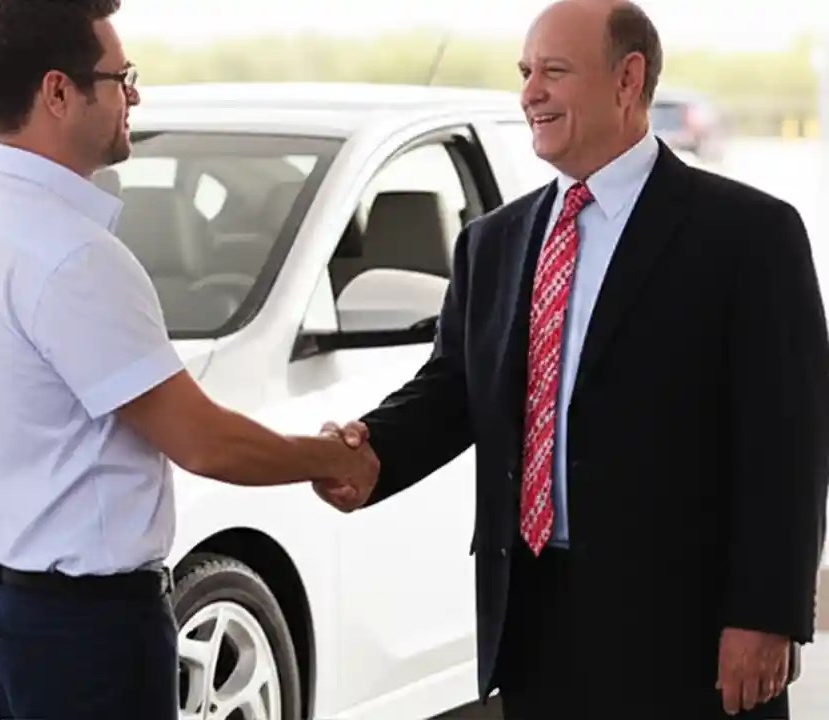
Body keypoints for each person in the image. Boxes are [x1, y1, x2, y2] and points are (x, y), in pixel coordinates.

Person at [319, 1, 829, 717]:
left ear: (628, 79)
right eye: (526, 72)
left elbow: (789, 441)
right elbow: (453, 391)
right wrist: (364, 456)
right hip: (533, 617)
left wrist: (767, 613)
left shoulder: (749, 235)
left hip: (691, 633)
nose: (529, 93)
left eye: (553, 72)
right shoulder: (492, 242)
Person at [0, 1, 378, 718]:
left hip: (11, 610)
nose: (133, 94)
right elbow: (202, 441)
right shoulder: (74, 256)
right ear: (57, 92)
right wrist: (332, 458)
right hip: (89, 631)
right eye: (119, 76)